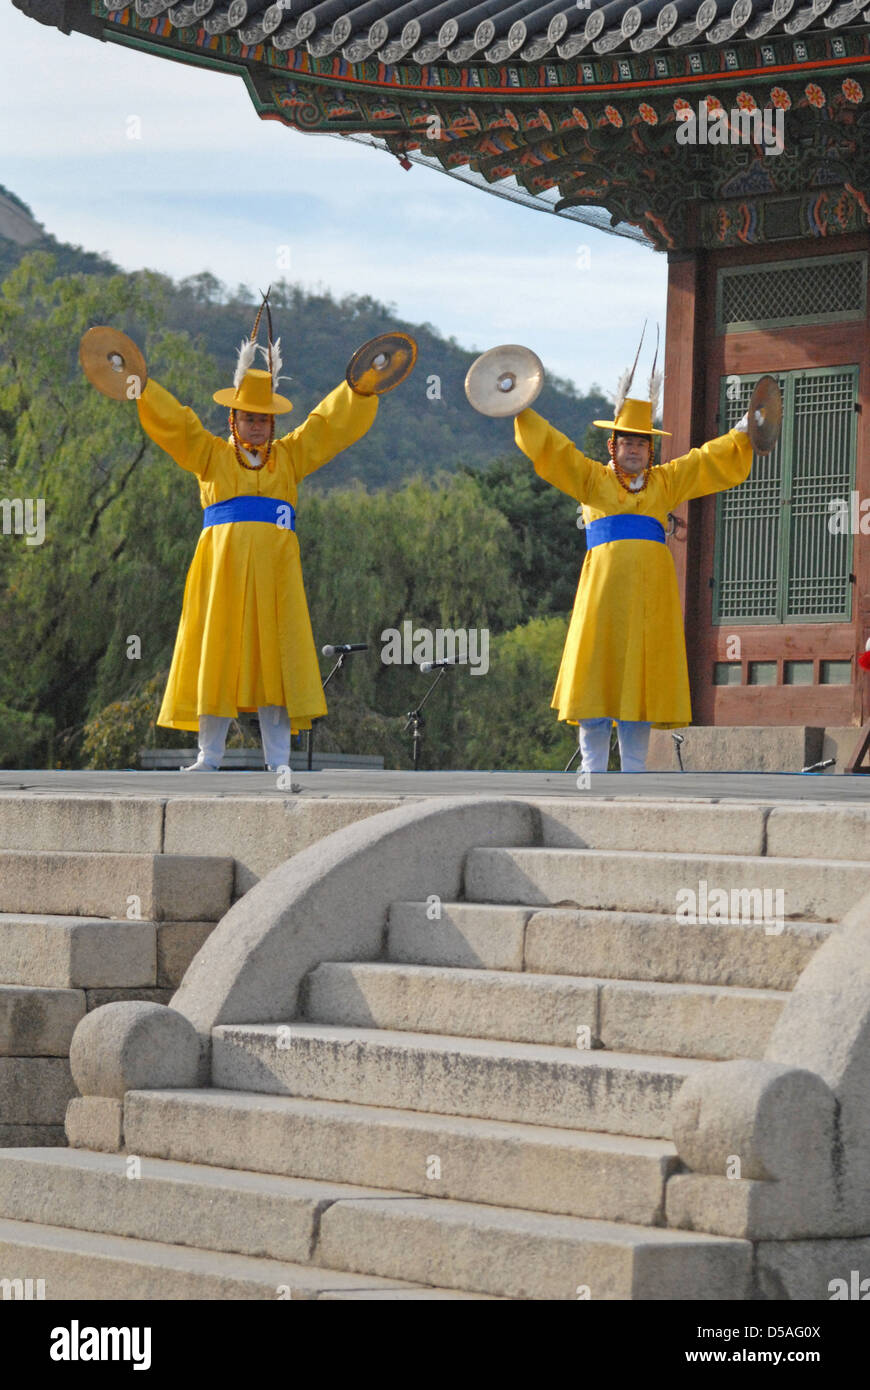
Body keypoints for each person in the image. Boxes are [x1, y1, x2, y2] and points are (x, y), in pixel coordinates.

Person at [135, 322, 379, 771]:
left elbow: (325, 428)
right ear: (233, 419)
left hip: (276, 574)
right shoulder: (210, 455)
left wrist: (359, 391)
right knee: (216, 654)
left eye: (264, 419)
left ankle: (279, 761)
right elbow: (178, 425)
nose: (258, 426)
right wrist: (142, 388)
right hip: (221, 569)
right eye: (249, 417)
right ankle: (208, 757)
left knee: (278, 662)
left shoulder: (288, 456)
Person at [513, 349, 758, 772]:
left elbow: (705, 462)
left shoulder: (665, 482)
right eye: (626, 441)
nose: (633, 449)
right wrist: (521, 409)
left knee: (639, 681)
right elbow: (557, 452)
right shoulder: (593, 479)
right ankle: (591, 767)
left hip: (650, 600)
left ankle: (634, 770)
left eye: (641, 443)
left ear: (651, 450)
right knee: (596, 674)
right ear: (613, 445)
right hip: (602, 598)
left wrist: (742, 431)